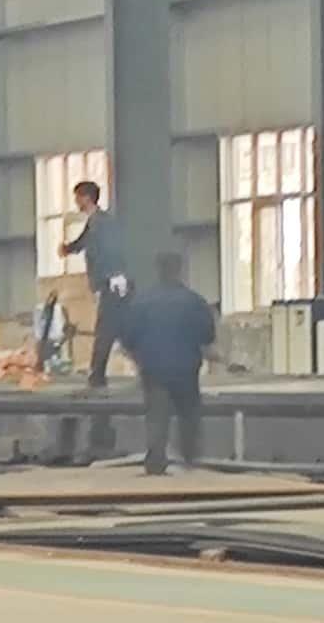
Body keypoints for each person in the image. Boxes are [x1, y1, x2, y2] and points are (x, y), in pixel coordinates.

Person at [117, 245, 216, 475]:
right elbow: (207, 336)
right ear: (180, 269)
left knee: (156, 416)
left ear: (157, 270)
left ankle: (155, 461)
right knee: (188, 414)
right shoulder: (194, 302)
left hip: (153, 369)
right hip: (186, 369)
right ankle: (190, 460)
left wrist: (139, 357)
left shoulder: (141, 302)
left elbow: (127, 338)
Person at [62, 178, 126, 388]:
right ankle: (97, 374)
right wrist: (68, 249)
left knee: (105, 330)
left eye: (78, 197)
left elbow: (110, 250)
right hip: (106, 283)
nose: (76, 201)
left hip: (110, 284)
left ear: (86, 198)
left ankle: (97, 375)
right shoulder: (94, 222)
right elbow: (83, 242)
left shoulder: (102, 223)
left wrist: (114, 275)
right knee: (111, 330)